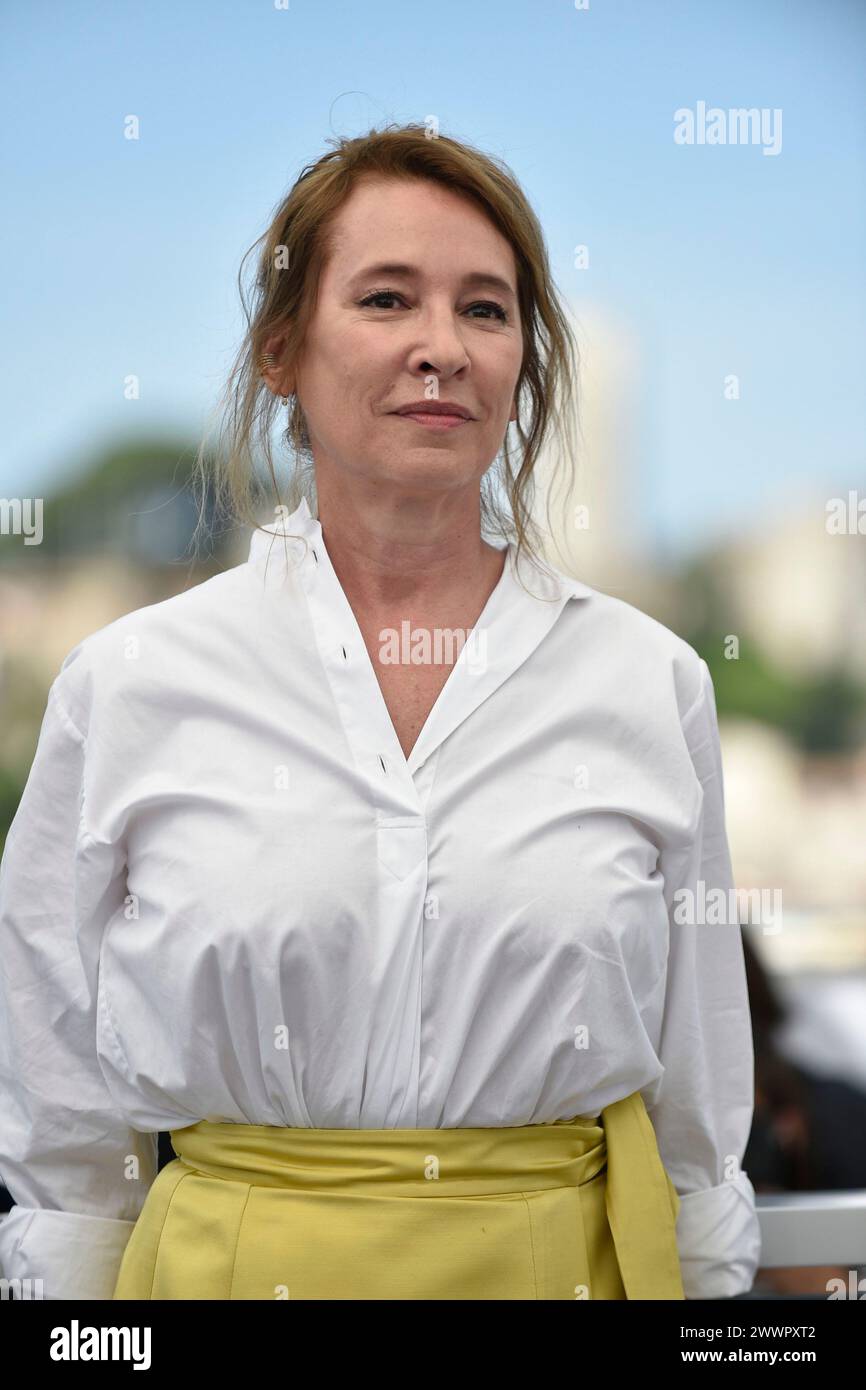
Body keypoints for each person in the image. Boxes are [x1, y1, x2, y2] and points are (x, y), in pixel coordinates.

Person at [0, 124, 760, 1301]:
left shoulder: (650, 684)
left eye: (486, 310)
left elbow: (700, 1109)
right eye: (387, 298)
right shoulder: (129, 683)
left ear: (523, 360)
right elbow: (57, 1111)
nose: (440, 350)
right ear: (279, 349)